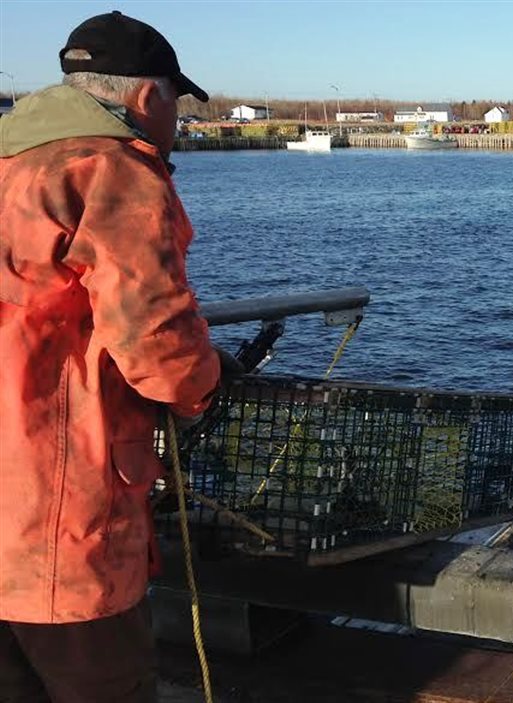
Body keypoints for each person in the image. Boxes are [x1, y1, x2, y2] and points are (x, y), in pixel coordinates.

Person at [0, 11, 225, 702]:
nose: (177, 121)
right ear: (147, 97)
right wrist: (202, 392)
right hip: (60, 517)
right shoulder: (112, 169)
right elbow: (155, 337)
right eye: (177, 105)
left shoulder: (11, 159)